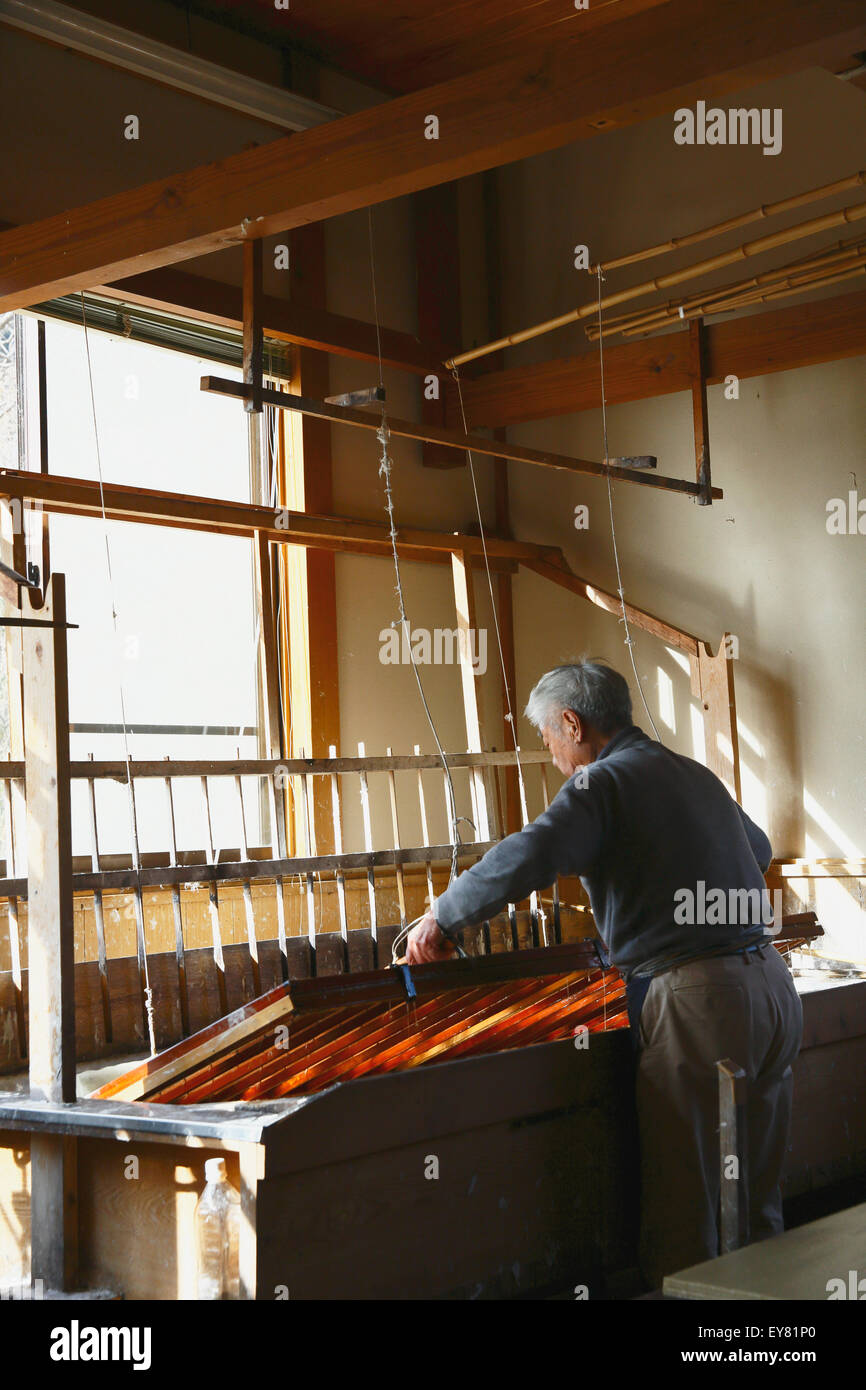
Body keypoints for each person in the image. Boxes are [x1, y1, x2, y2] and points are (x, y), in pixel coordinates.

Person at [405, 659, 803, 1287]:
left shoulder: (603, 783)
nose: (557, 757)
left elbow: (531, 852)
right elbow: (757, 849)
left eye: (551, 740)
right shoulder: (692, 774)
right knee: (754, 1195)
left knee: (688, 1203)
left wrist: (442, 918)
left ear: (574, 722)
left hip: (701, 1000)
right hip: (771, 987)